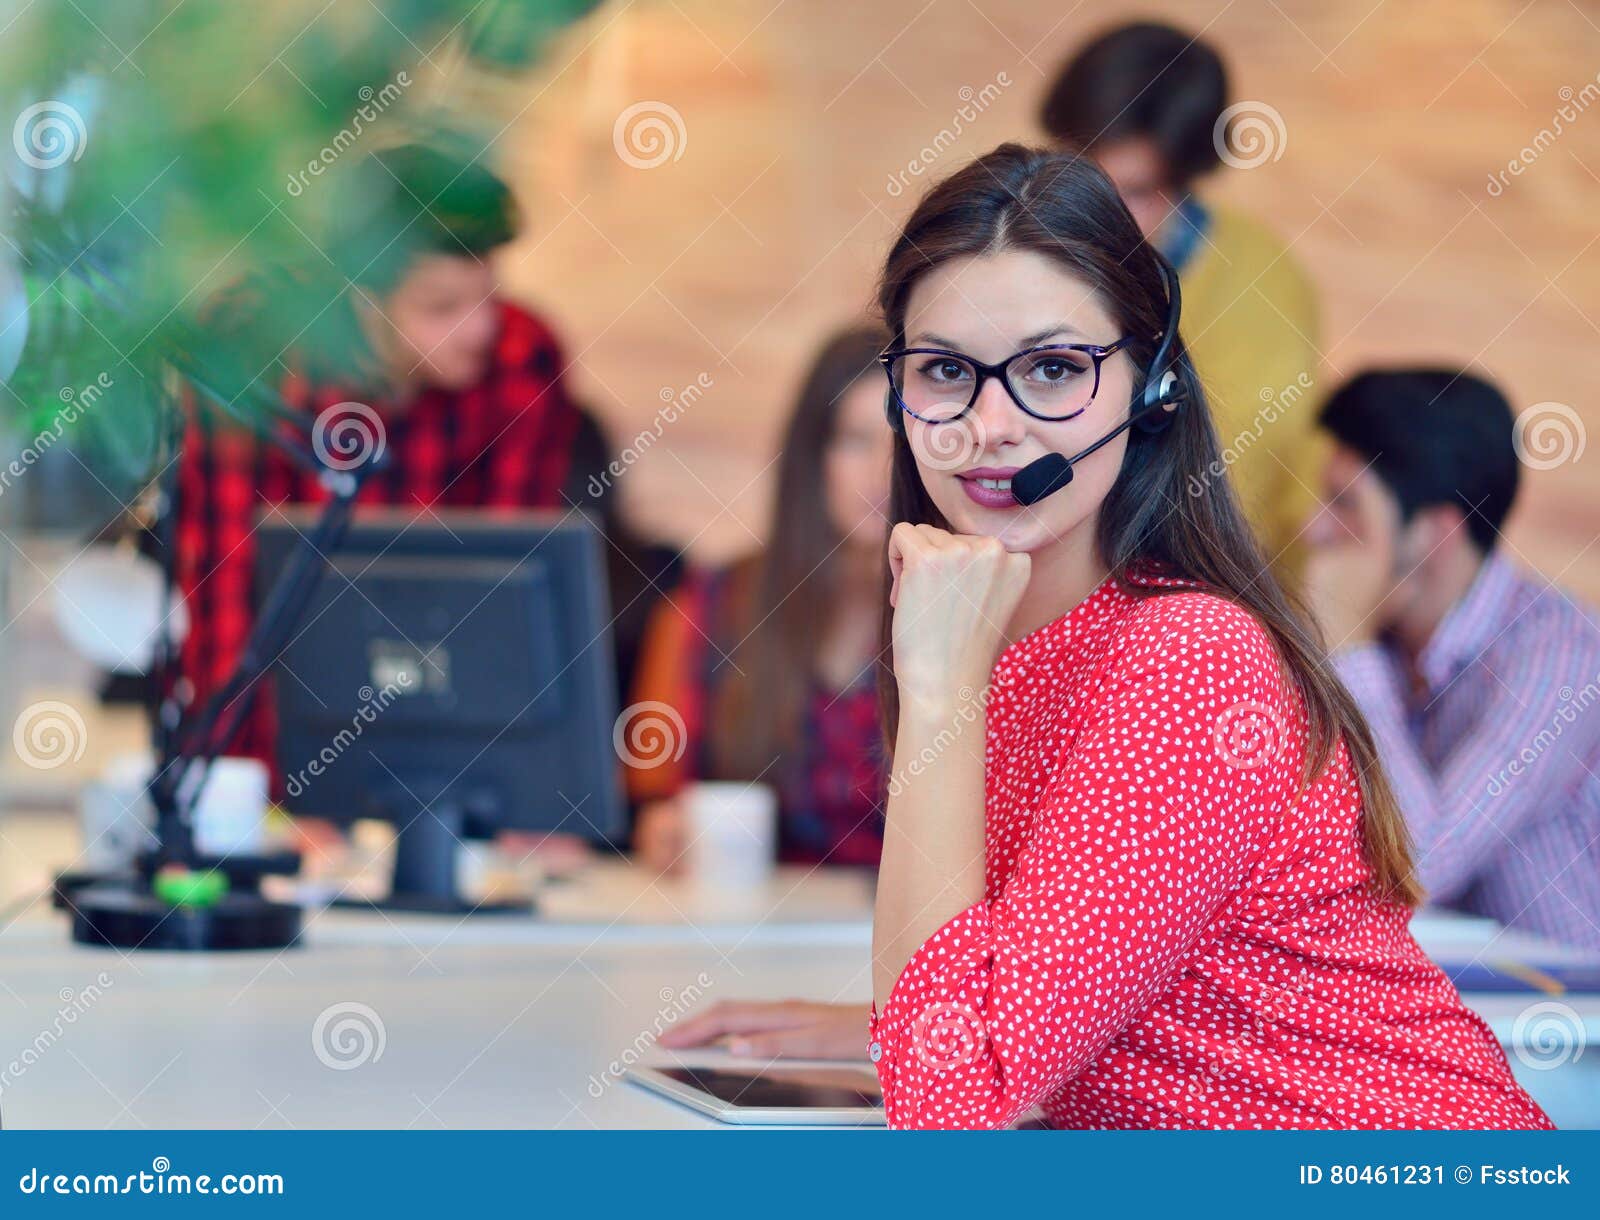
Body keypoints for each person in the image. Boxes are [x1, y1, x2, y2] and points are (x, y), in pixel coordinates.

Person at [662, 145, 1550, 1131]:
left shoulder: (1190, 659)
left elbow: (948, 1109)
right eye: (946, 370)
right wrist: (895, 1028)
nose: (989, 426)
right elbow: (1026, 1006)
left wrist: (940, 686)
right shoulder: (995, 630)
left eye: (1051, 369)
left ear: (1150, 388)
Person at [175, 144, 674, 815]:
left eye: (488, 295)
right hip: (284, 760)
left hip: (452, 771)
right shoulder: (250, 365)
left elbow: (503, 613)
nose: (480, 328)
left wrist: (517, 802)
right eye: (442, 306)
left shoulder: (522, 358)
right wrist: (257, 808)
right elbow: (229, 615)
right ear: (354, 300)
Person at [1304, 370, 1600, 950]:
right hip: (1449, 989)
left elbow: (1419, 867)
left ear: (1435, 535)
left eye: (1345, 504)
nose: (1314, 531)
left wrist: (1346, 645)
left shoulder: (1561, 655)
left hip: (1572, 999)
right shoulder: (1389, 644)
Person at [1040, 21, 1324, 573]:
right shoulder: (1024, 253)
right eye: (1077, 176)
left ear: (1187, 180)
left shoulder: (1260, 284)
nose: (1100, 211)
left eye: (1136, 190)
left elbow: (1230, 493)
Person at [629, 326, 891, 870]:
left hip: (913, 920)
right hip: (756, 912)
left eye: (904, 443)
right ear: (812, 458)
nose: (882, 471)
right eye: (855, 440)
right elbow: (657, 792)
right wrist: (663, 827)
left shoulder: (970, 610)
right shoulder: (718, 602)